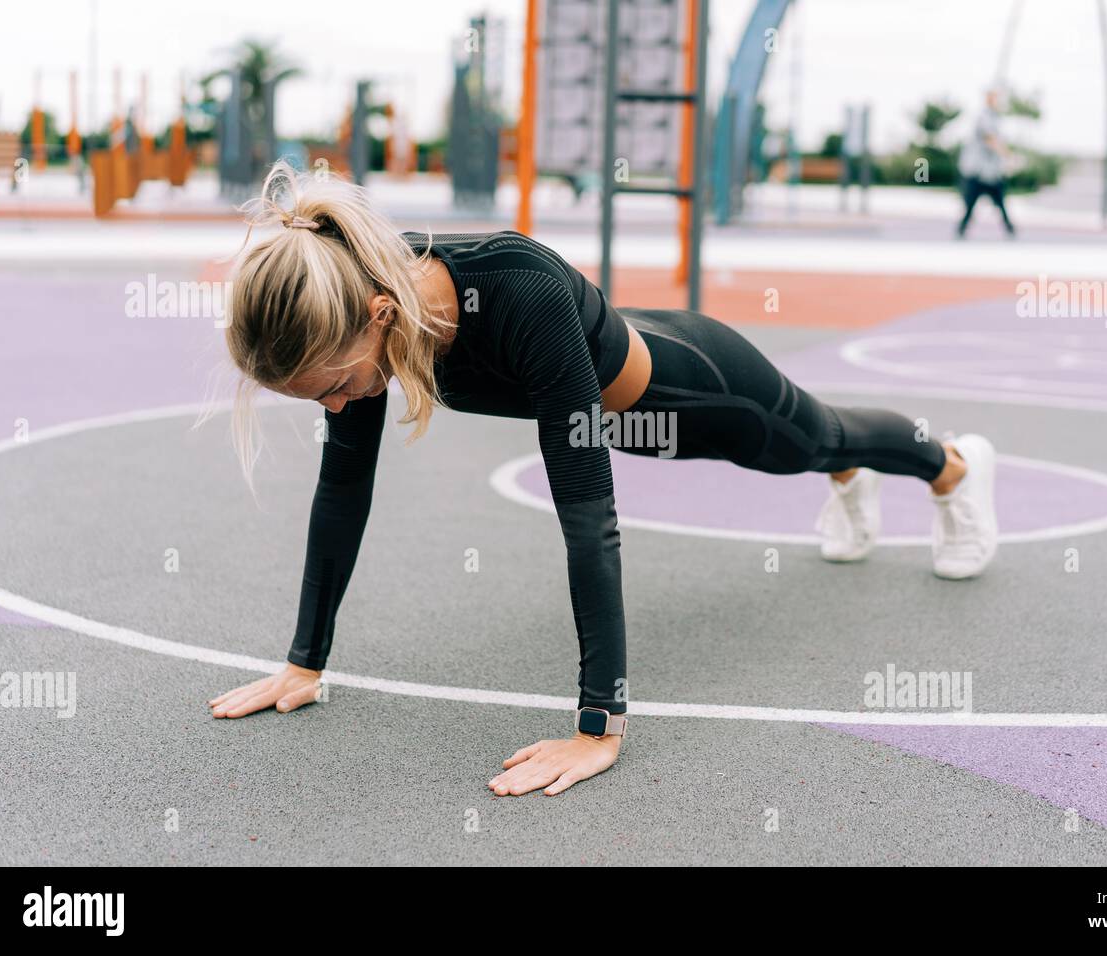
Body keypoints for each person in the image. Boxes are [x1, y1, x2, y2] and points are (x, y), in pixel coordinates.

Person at [208, 162, 999, 797]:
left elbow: (588, 519)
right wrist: (304, 663)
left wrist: (598, 727)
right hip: (623, 409)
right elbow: (343, 486)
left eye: (337, 387)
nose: (341, 407)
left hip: (706, 395)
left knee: (817, 435)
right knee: (822, 448)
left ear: (381, 314)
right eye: (323, 399)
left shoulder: (519, 292)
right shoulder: (352, 289)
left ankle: (953, 467)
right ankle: (850, 475)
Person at [957, 89, 1015, 238]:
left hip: (990, 172)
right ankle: (961, 229)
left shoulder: (995, 118)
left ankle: (1010, 229)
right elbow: (990, 139)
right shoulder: (985, 117)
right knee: (972, 205)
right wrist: (1008, 156)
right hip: (978, 171)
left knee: (1000, 203)